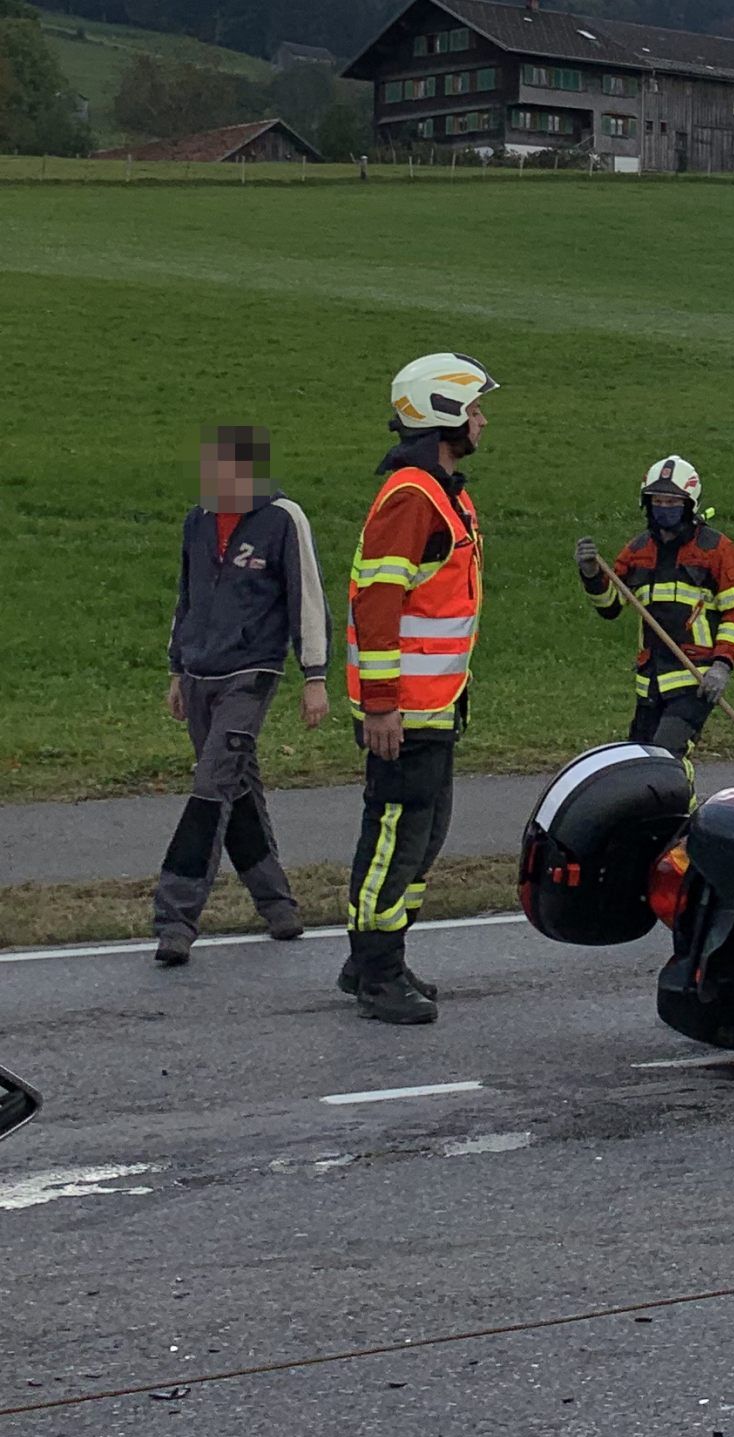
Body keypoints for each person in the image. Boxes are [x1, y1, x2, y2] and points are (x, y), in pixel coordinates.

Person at [337, 353, 496, 1025]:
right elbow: (376, 601)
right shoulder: (413, 495)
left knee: (425, 836)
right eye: (475, 407)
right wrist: (380, 706)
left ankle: (380, 955)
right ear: (443, 413)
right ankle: (375, 971)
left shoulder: (442, 490)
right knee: (396, 836)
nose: (484, 420)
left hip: (434, 703)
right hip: (402, 709)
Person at [153, 425, 330, 967]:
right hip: (200, 672)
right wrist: (177, 670)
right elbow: (185, 597)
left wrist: (314, 675)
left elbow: (307, 596)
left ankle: (175, 918)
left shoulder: (282, 518)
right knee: (236, 787)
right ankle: (278, 905)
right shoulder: (197, 521)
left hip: (251, 673)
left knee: (210, 787)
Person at [574, 455, 734, 757]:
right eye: (658, 501)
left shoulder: (716, 549)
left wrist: (722, 665)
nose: (664, 509)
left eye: (672, 502)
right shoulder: (637, 550)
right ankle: (660, 805)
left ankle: (682, 803)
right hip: (650, 682)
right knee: (639, 760)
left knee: (668, 754)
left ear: (689, 505)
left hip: (695, 679)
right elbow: (609, 606)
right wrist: (591, 574)